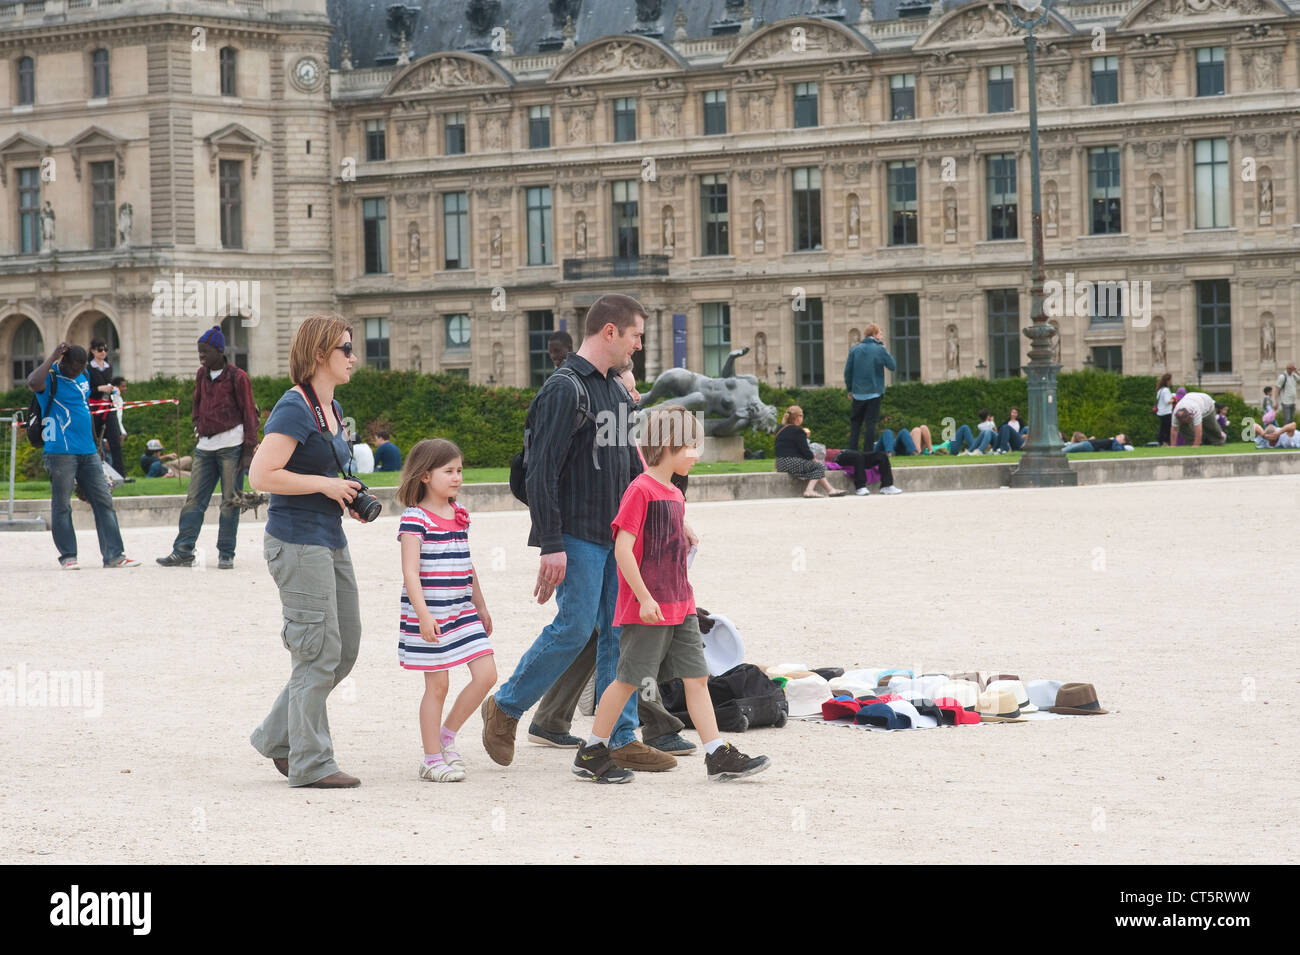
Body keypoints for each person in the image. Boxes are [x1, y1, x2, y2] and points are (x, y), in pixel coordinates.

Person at [481, 293, 680, 774]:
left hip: (617, 537)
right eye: (635, 336)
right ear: (609, 331)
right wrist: (551, 544)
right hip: (576, 534)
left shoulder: (614, 389)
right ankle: (505, 707)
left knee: (621, 635)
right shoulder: (564, 389)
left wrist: (671, 519)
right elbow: (540, 473)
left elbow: (633, 465)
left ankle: (617, 735)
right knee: (574, 628)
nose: (638, 347)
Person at [574, 405, 771, 783]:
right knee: (627, 680)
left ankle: (716, 754)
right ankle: (592, 749)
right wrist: (644, 598)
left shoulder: (672, 491)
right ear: (666, 445)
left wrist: (685, 525)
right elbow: (622, 549)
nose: (697, 454)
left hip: (681, 603)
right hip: (649, 607)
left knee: (696, 680)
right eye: (690, 447)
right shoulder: (639, 489)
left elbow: (666, 522)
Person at [528, 362, 698, 755]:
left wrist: (680, 521)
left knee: (604, 636)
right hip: (606, 545)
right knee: (621, 637)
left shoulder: (627, 433)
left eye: (636, 392)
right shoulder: (606, 429)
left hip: (620, 548)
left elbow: (659, 489)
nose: (635, 398)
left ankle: (555, 719)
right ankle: (643, 729)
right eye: (629, 390)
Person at [248, 315, 367, 789]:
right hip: (297, 541)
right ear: (320, 354)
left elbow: (318, 472)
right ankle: (312, 762)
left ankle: (279, 738)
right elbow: (261, 475)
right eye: (345, 349)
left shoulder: (331, 407)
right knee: (317, 653)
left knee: (345, 647)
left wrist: (344, 496)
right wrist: (323, 483)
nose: (354, 357)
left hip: (328, 536)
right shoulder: (294, 407)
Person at [396, 438, 497, 783]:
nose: (457, 477)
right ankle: (430, 758)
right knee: (437, 685)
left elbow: (468, 565)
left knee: (487, 675)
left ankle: (447, 735)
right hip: (431, 613)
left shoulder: (459, 515)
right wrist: (423, 615)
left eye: (459, 470)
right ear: (425, 475)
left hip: (463, 609)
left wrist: (481, 605)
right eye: (448, 471)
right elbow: (410, 571)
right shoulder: (414, 518)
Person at [27, 342, 140, 570]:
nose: (78, 372)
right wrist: (53, 356)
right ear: (64, 362)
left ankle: (114, 555)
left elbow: (84, 408)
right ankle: (68, 556)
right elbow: (32, 382)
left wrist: (97, 446)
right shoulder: (51, 377)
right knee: (62, 505)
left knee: (103, 500)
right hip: (60, 452)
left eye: (81, 368)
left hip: (88, 450)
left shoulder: (84, 375)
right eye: (74, 368)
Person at [157, 327, 260, 570]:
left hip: (231, 447)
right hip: (205, 447)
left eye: (205, 352)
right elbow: (197, 404)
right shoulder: (201, 375)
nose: (201, 356)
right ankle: (182, 550)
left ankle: (226, 553)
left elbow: (249, 414)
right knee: (194, 500)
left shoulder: (238, 377)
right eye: (199, 352)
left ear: (219, 351)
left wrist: (248, 451)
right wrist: (197, 425)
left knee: (230, 501)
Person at [844, 324, 896, 453]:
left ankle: (852, 452)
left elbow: (848, 372)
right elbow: (892, 366)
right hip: (874, 393)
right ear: (875, 334)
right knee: (870, 424)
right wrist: (884, 349)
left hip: (857, 394)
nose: (882, 336)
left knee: (855, 424)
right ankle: (868, 453)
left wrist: (850, 389)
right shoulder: (879, 349)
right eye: (881, 333)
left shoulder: (855, 349)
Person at [775, 405, 845, 498]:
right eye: (802, 416)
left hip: (781, 463)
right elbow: (805, 450)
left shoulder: (780, 428)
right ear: (798, 417)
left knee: (816, 468)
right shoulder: (798, 431)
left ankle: (830, 490)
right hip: (791, 462)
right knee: (819, 466)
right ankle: (809, 491)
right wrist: (814, 459)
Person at [86, 338, 127, 478]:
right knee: (93, 442)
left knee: (115, 440)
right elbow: (85, 390)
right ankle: (93, 474)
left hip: (108, 406)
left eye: (105, 349)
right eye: (100, 349)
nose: (103, 352)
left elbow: (110, 383)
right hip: (94, 408)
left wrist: (114, 389)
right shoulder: (88, 369)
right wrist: (99, 388)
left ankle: (120, 474)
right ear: (93, 351)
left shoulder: (108, 367)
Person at [825, 447, 902, 496]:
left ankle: (887, 486)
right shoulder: (816, 452)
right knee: (857, 456)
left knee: (881, 455)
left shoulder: (818, 447)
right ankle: (860, 487)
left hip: (849, 452)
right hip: (839, 457)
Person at [1154, 374, 1175, 446]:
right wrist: (1174, 400)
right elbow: (1167, 401)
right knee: (1167, 429)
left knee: (1163, 428)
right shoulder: (1166, 390)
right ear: (1167, 381)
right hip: (1166, 412)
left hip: (1161, 412)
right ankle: (1166, 442)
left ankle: (1161, 442)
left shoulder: (1160, 390)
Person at [1062, 432, 1132, 452]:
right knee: (1069, 446)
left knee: (1068, 449)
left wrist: (1114, 440)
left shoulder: (1119, 446)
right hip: (1089, 443)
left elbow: (1118, 449)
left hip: (1089, 446)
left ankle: (1055, 454)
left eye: (1120, 436)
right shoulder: (1115, 443)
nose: (1117, 436)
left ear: (1123, 441)